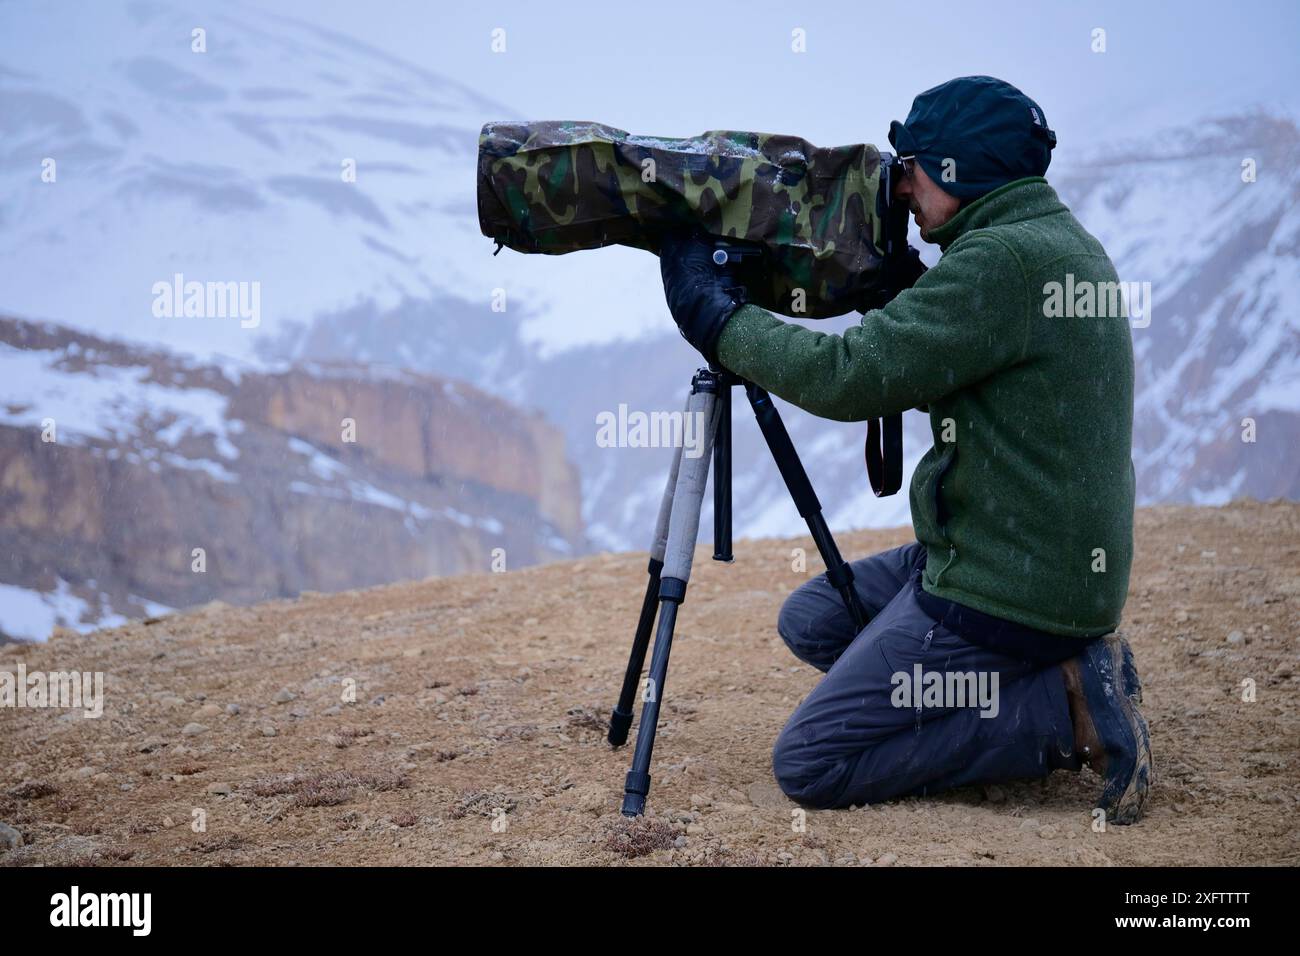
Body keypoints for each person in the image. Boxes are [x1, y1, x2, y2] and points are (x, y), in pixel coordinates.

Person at [657, 75, 1151, 824]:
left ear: (957, 171)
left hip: (1008, 585)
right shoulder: (1051, 243)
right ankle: (1048, 670)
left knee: (813, 762)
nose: (902, 182)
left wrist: (719, 321)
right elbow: (969, 366)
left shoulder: (1000, 265)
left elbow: (848, 379)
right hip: (1027, 556)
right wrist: (899, 292)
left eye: (912, 163)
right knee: (816, 619)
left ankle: (1065, 707)